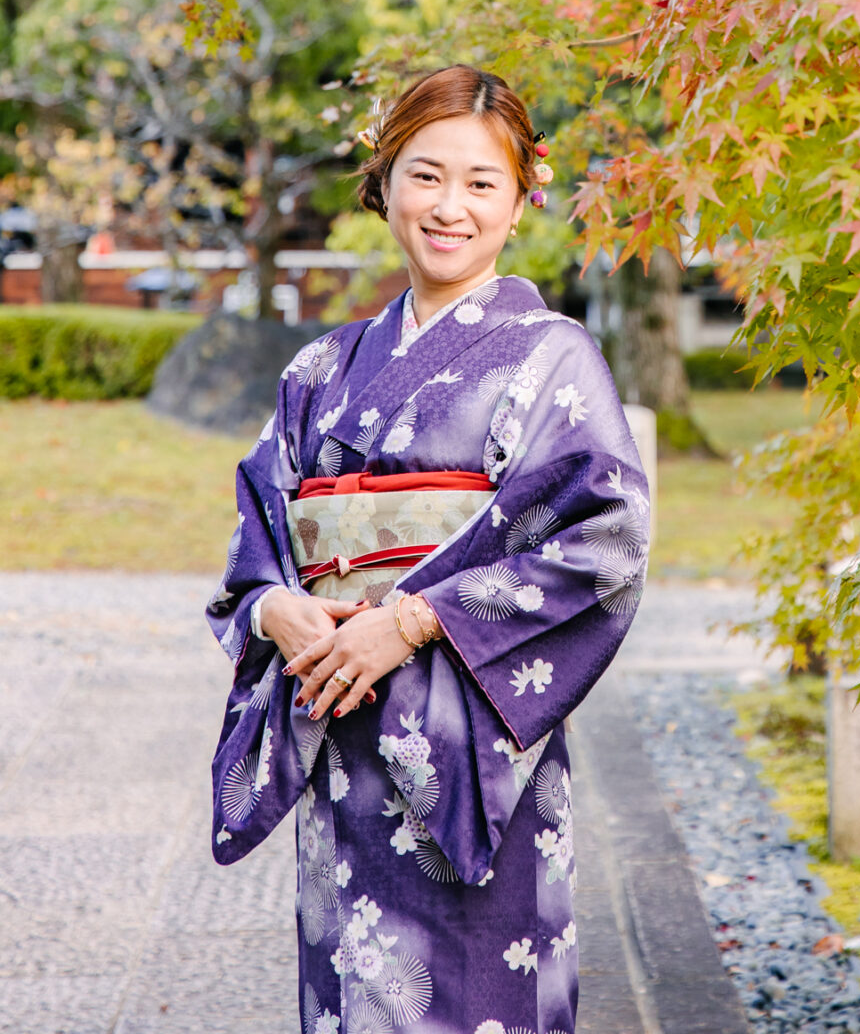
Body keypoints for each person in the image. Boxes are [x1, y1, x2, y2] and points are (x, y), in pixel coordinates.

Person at [206, 66, 649, 1034]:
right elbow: (258, 545)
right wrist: (277, 609)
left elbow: (604, 542)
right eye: (425, 175)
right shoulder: (320, 368)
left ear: (523, 195)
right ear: (384, 182)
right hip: (337, 723)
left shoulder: (551, 356)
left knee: (476, 992)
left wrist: (410, 620)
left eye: (481, 182)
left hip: (468, 741)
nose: (450, 207)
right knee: (347, 992)